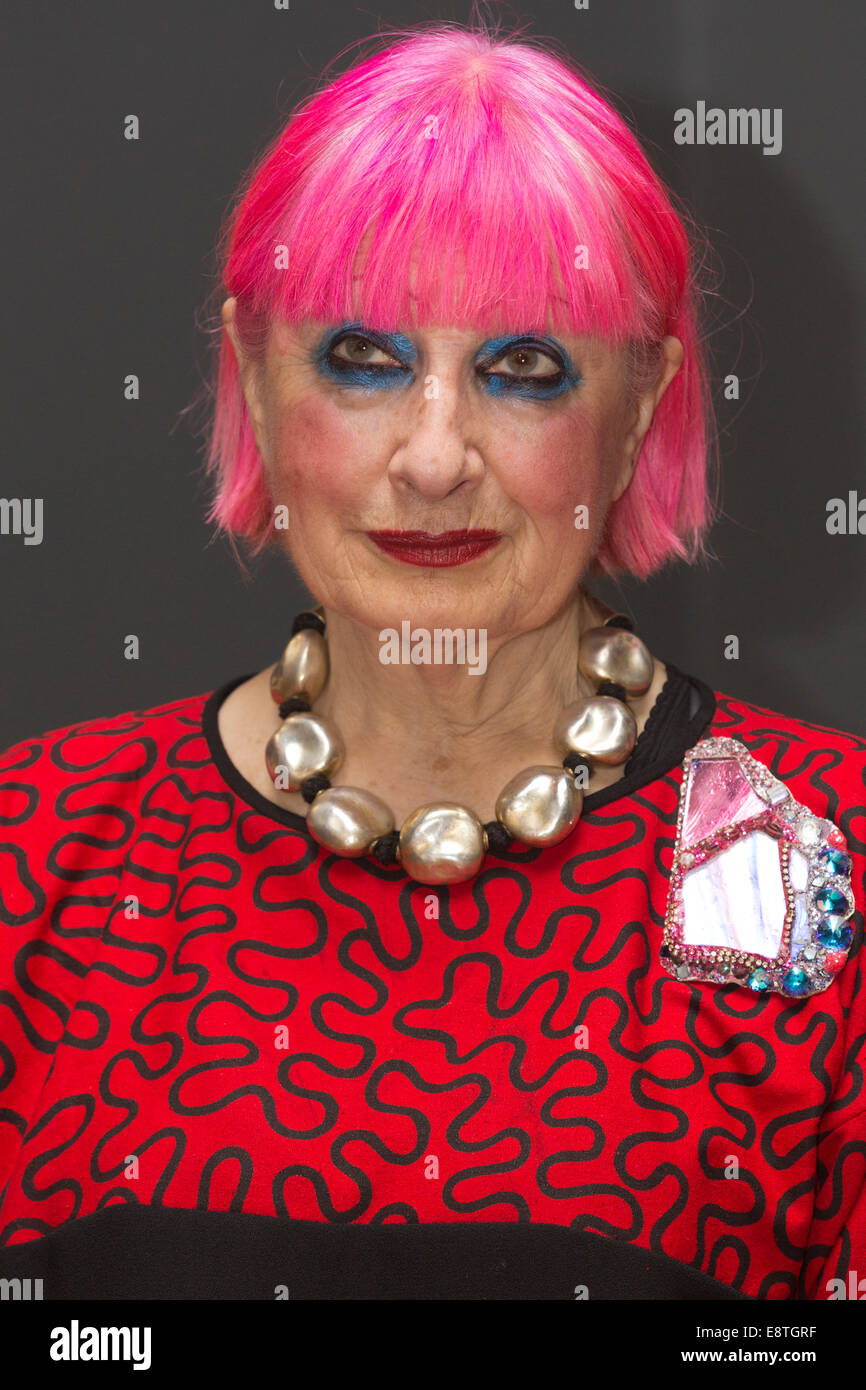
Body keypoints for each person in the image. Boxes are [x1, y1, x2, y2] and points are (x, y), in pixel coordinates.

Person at [0, 21, 862, 1302]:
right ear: (249, 373)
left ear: (636, 412)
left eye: (523, 370)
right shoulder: (34, 854)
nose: (433, 455)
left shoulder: (813, 870)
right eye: (362, 359)